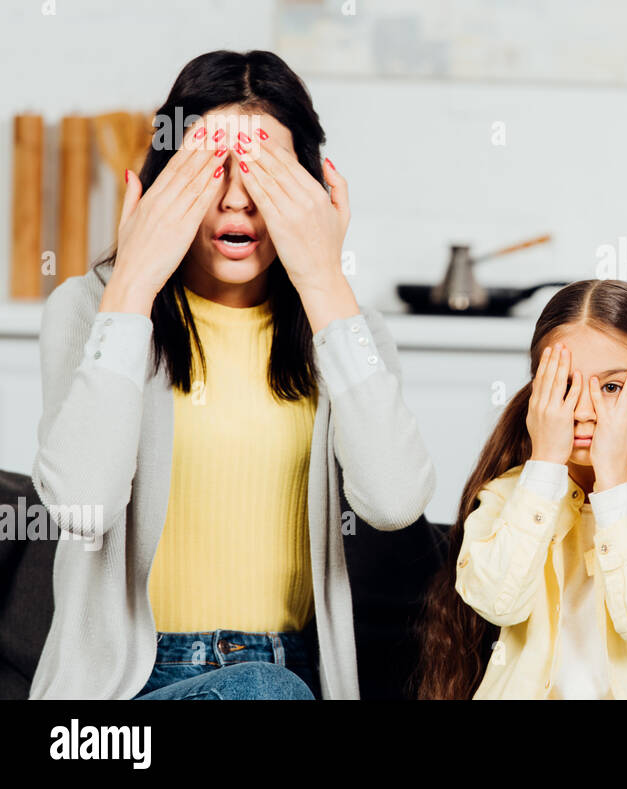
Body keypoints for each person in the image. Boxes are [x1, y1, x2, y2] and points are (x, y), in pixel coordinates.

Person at [28, 50, 436, 700]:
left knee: (264, 687)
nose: (240, 199)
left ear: (313, 190)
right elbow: (83, 503)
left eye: (267, 175)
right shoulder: (89, 308)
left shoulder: (349, 331)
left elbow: (393, 502)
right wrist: (134, 276)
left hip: (291, 677)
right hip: (126, 691)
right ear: (165, 180)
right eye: (211, 171)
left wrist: (325, 278)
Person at [416, 280, 627, 699]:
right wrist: (542, 467)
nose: (582, 411)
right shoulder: (508, 494)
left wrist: (612, 478)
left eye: (610, 387)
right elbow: (496, 601)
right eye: (564, 386)